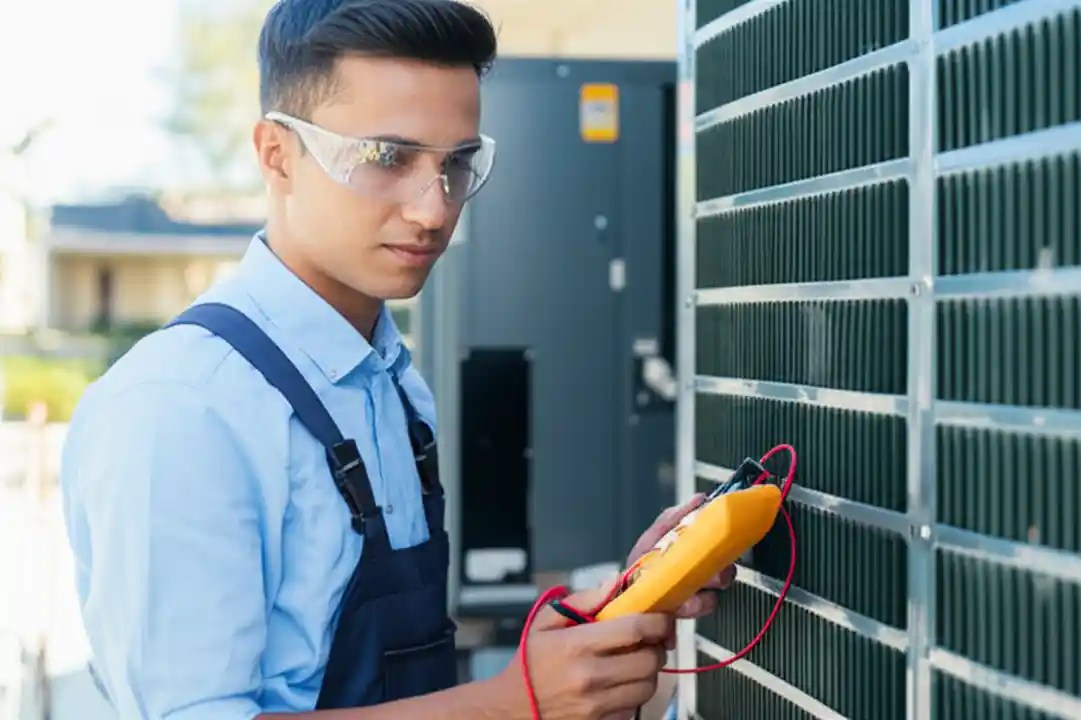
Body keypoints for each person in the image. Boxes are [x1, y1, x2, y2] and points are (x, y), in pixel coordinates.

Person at [59, 1, 733, 717]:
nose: (433, 209)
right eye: (387, 157)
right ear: (275, 154)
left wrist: (607, 618)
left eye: (458, 164)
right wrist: (511, 704)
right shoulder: (181, 408)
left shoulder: (394, 386)